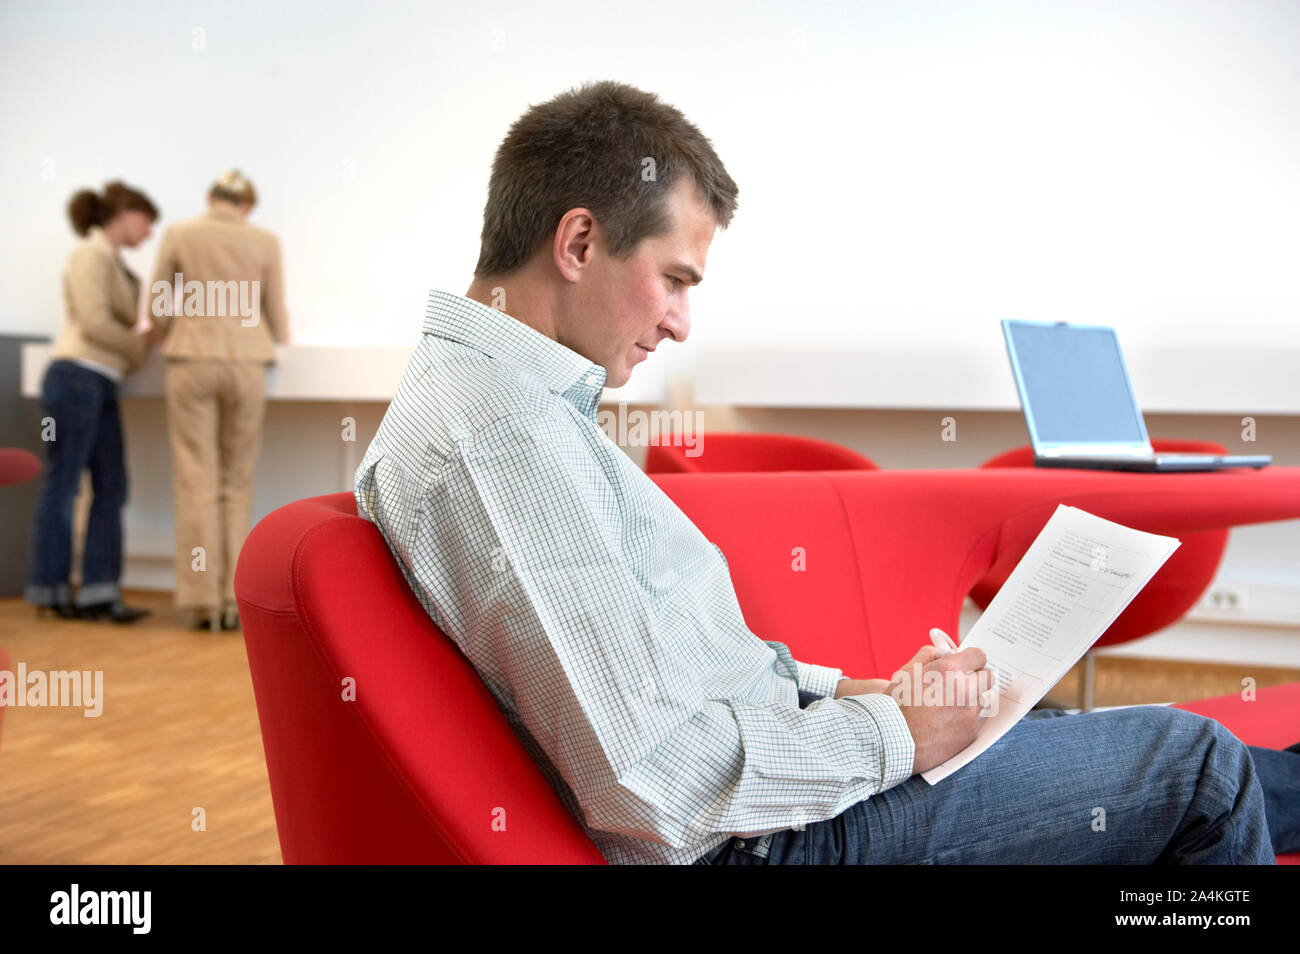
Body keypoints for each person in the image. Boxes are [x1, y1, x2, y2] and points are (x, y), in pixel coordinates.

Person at [353, 80, 1300, 864]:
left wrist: (871, 697)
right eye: (676, 279)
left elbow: (698, 674)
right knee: (1197, 766)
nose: (682, 321)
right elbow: (658, 782)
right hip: (764, 842)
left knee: (1044, 727)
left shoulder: (525, 402)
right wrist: (897, 736)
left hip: (776, 788)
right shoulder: (499, 439)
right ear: (577, 243)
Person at [148, 170, 289, 632]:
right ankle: (234, 600)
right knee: (237, 480)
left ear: (211, 198)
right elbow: (275, 310)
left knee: (195, 478)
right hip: (248, 362)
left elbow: (157, 305)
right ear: (247, 204)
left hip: (191, 358)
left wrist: (178, 333)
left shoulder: (180, 233)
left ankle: (201, 601)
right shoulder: (265, 241)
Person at [26, 181, 158, 624]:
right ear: (123, 213)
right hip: (75, 376)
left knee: (112, 485)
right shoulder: (89, 255)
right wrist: (139, 346)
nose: (149, 233)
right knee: (64, 485)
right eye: (146, 221)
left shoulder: (116, 265)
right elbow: (94, 321)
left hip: (100, 382)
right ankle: (50, 589)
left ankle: (99, 593)